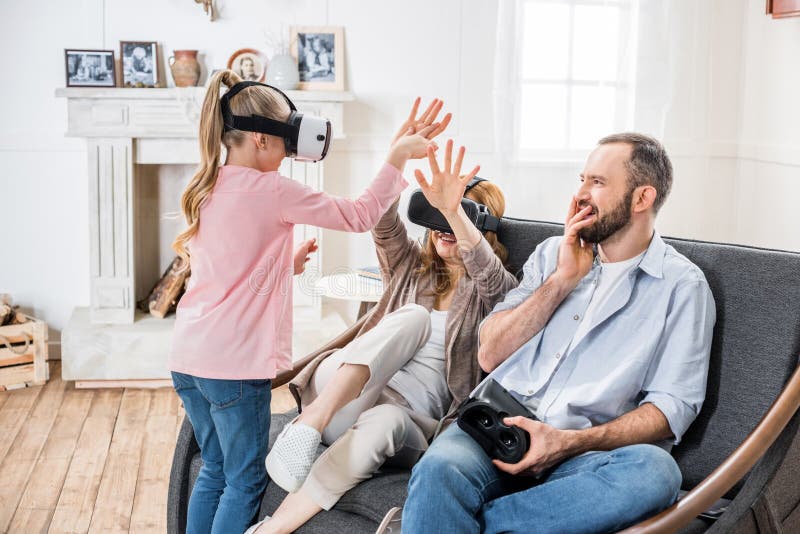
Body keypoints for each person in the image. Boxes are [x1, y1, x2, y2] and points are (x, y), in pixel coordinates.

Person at [168, 71, 446, 534]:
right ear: (260, 139)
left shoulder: (206, 184)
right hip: (234, 368)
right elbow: (358, 216)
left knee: (215, 468)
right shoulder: (273, 190)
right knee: (243, 480)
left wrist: (284, 264)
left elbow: (224, 269)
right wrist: (395, 157)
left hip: (188, 360)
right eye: (286, 142)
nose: (290, 155)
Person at [401, 133, 717, 533]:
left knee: (657, 472)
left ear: (642, 199)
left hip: (584, 451)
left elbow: (672, 408)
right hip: (499, 423)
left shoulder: (682, 286)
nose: (581, 194)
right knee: (439, 471)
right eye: (583, 179)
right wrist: (563, 281)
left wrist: (566, 443)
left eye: (598, 183)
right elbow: (489, 353)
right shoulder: (553, 254)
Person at [245, 100, 519, 534]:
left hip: (406, 424)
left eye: (457, 214)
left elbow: (493, 282)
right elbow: (382, 222)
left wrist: (454, 211)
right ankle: (308, 425)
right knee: (411, 316)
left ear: (482, 226)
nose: (443, 226)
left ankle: (269, 530)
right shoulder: (410, 267)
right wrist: (394, 157)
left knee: (387, 422)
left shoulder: (497, 292)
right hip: (343, 394)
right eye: (436, 214)